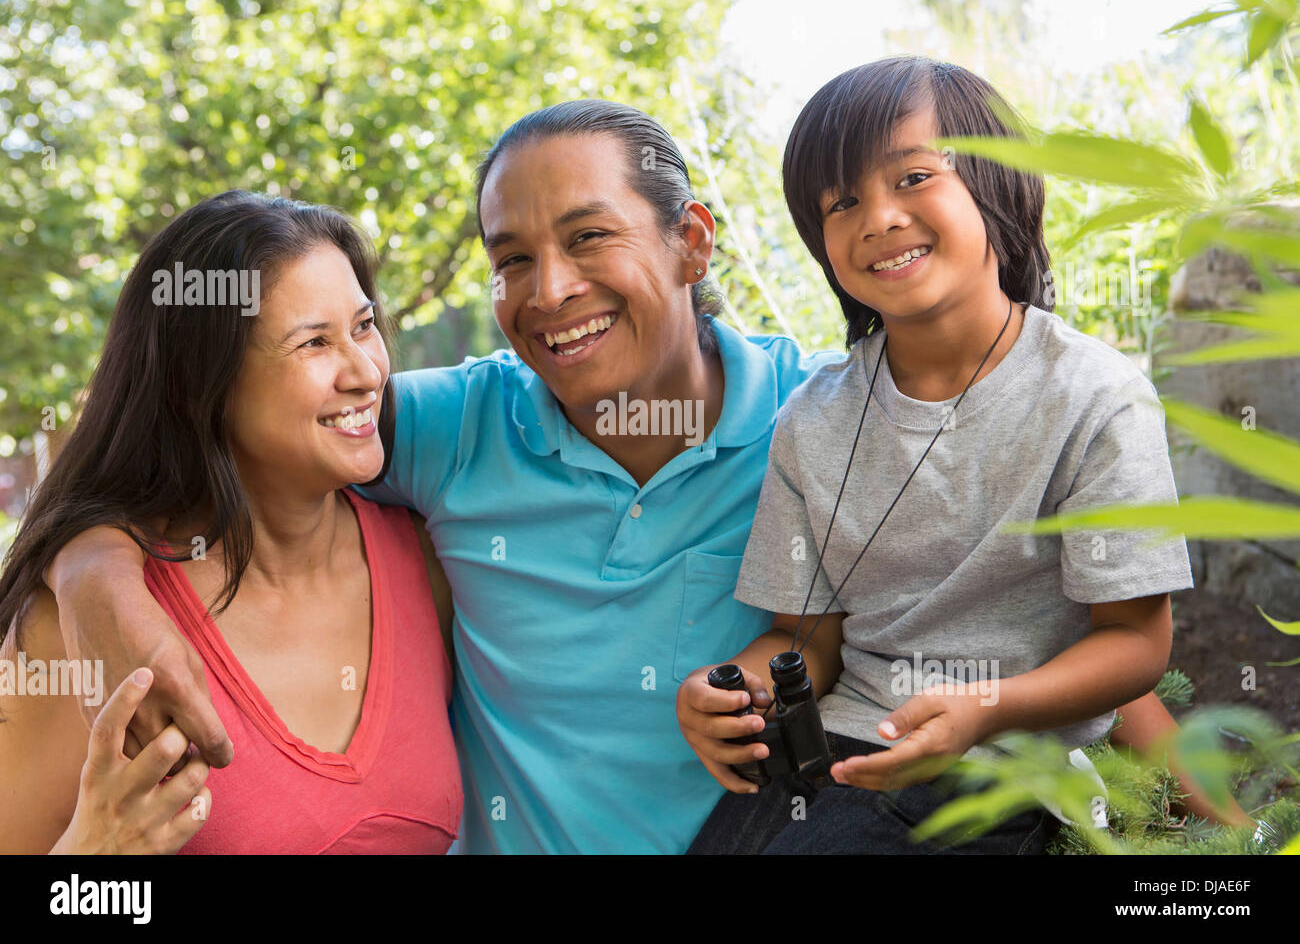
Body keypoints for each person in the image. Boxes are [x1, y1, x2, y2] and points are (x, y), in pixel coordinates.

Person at [38, 102, 1214, 855]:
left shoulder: (831, 420)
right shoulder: (448, 425)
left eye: (589, 238)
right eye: (512, 259)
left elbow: (1050, 621)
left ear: (691, 242)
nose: (548, 289)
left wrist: (1226, 834)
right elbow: (211, 424)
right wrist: (98, 575)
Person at [678, 56, 1219, 854]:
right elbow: (808, 643)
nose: (880, 218)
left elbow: (1136, 644)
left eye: (914, 177)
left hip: (1004, 767)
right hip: (832, 757)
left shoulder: (1095, 398)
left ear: (998, 186)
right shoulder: (812, 420)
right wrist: (735, 690)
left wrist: (985, 707)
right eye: (842, 201)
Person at [0, 191, 461, 853]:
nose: (366, 371)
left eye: (363, 326)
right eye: (313, 344)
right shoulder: (89, 628)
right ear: (201, 386)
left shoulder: (426, 562)